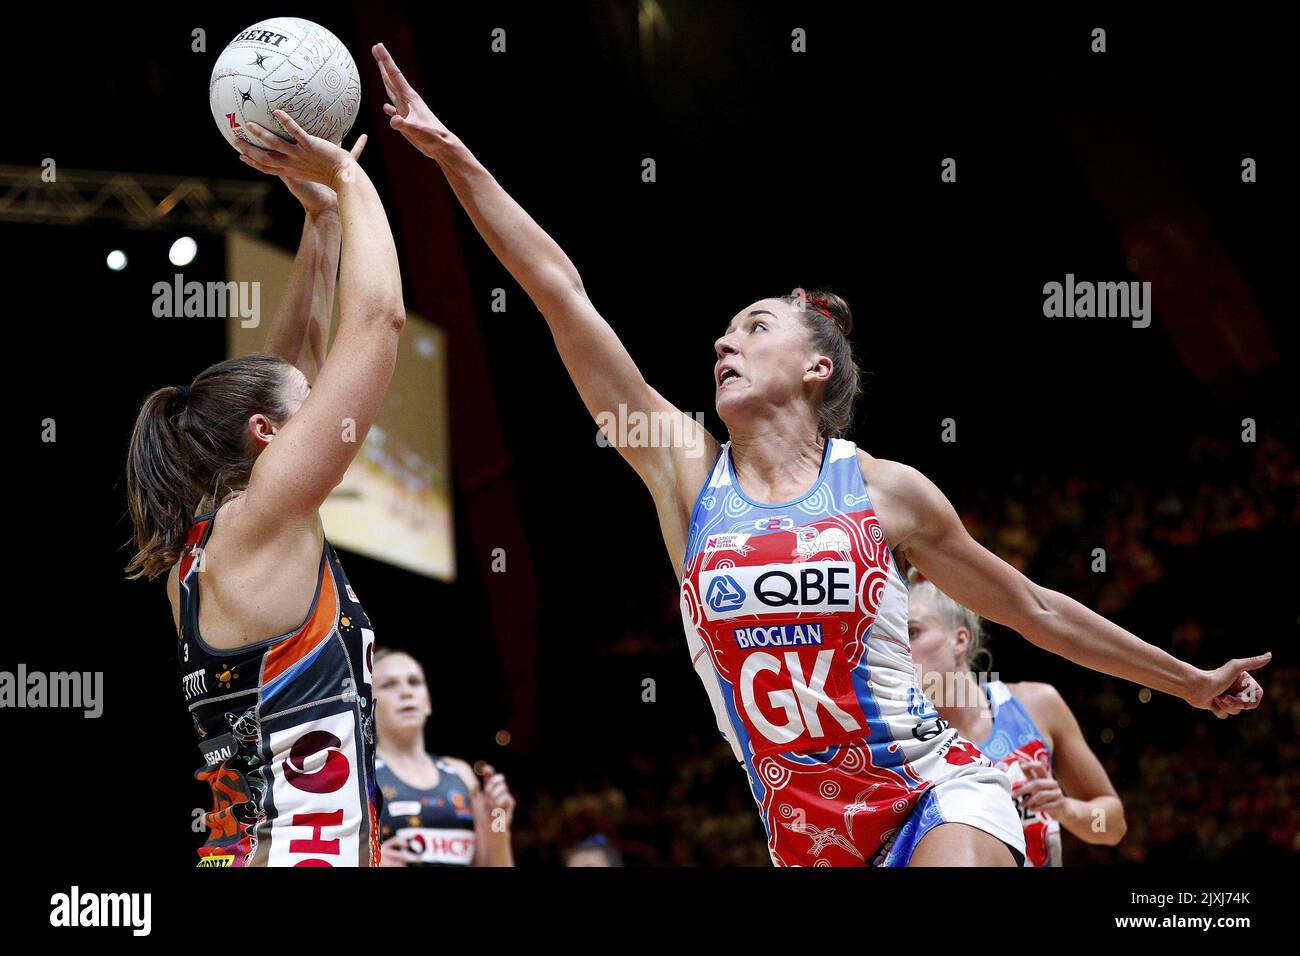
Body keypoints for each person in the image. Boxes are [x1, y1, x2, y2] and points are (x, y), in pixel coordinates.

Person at [369, 43, 1269, 867]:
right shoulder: (682, 469)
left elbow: (1034, 608)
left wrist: (1186, 682)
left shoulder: (886, 490)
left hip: (936, 792)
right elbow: (561, 294)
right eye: (721, 333)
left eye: (752, 327)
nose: (723, 342)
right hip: (807, 837)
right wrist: (456, 156)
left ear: (815, 366)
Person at [125, 112, 406, 866]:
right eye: (307, 402)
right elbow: (377, 320)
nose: (323, 400)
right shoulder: (262, 519)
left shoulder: (209, 543)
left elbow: (287, 364)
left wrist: (318, 226)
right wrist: (349, 182)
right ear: (266, 435)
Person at [907, 571, 1127, 865]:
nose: (901, 648)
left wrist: (1065, 809)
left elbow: (1112, 825)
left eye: (912, 632)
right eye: (893, 637)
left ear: (959, 640)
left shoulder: (1037, 704)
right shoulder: (896, 737)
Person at [372, 648, 516, 866]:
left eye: (414, 682)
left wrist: (499, 822)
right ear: (369, 704)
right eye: (389, 685)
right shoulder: (360, 774)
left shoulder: (461, 774)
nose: (406, 692)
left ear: (428, 701)